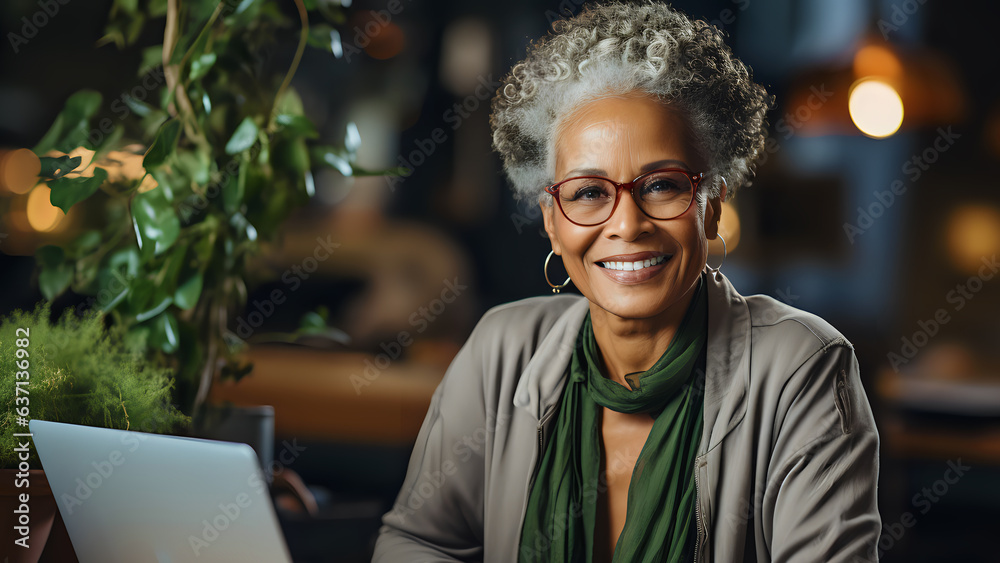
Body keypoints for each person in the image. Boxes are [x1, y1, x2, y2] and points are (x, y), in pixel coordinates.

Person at [372, 1, 881, 561]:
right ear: (552, 220)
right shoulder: (501, 349)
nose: (627, 224)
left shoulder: (802, 369)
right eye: (589, 192)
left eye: (661, 185)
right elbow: (421, 542)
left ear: (711, 207)